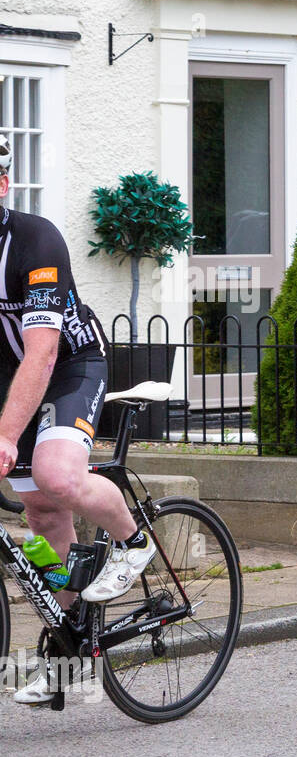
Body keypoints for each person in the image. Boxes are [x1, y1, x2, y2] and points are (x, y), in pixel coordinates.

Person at [0, 134, 157, 704]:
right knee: (41, 517)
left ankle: (132, 538)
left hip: (70, 366)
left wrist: (4, 434)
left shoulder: (35, 241)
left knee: (57, 478)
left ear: (3, 186)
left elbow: (42, 353)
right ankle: (69, 642)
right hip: (8, 378)